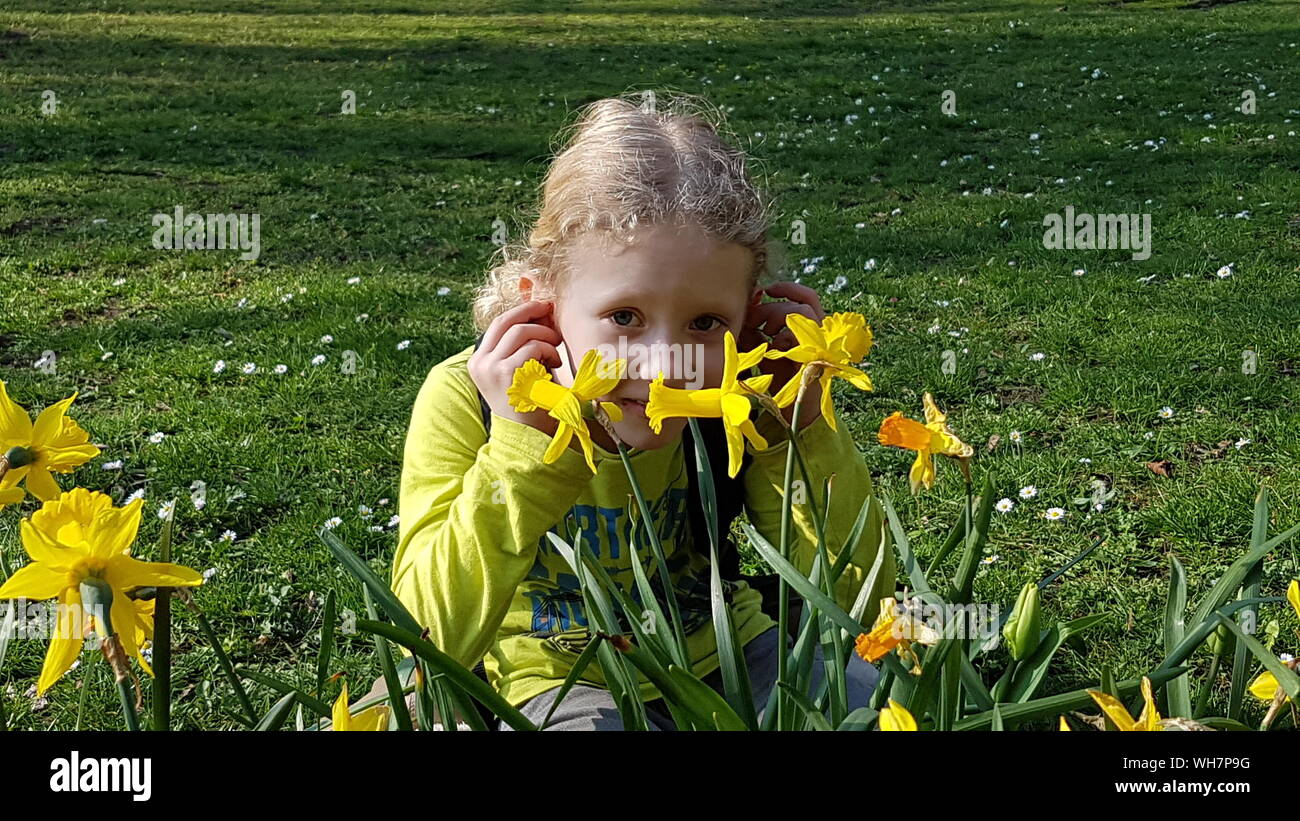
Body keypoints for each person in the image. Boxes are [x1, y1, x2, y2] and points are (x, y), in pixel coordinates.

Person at [389, 91, 896, 730]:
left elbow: (865, 604)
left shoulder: (748, 394)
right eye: (624, 317)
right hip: (563, 683)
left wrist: (796, 430)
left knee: (883, 703)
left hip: (732, 654)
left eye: (705, 322)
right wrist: (524, 449)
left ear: (750, 318)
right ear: (540, 304)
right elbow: (420, 640)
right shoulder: (468, 398)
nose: (664, 364)